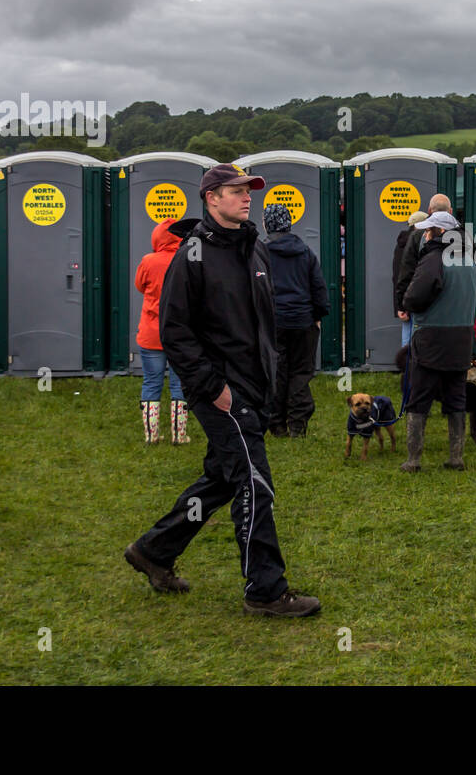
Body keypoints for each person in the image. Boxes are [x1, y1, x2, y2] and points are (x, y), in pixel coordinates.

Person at [124, 164, 319, 617]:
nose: (247, 197)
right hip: (222, 394)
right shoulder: (190, 257)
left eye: (249, 190)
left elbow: (262, 325)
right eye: (236, 191)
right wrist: (214, 388)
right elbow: (176, 332)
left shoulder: (253, 249)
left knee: (221, 480)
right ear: (212, 198)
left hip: (254, 388)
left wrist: (269, 385)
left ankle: (154, 549)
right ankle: (266, 591)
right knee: (255, 483)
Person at [399, 210, 476, 472]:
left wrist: (407, 300)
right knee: (456, 398)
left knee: (419, 398)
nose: (426, 234)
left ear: (441, 232)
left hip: (432, 339)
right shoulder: (470, 259)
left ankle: (413, 460)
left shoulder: (434, 259)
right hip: (462, 340)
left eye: (430, 230)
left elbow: (414, 297)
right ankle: (456, 457)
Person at [263, 202, 330, 438]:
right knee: (301, 373)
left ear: (267, 224)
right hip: (303, 321)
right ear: (289, 224)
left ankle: (276, 423)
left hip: (273, 322)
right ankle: (297, 424)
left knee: (276, 372)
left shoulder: (260, 252)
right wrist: (319, 315)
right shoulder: (305, 252)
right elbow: (318, 287)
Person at [134, 218, 188, 445]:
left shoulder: (148, 261)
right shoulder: (184, 259)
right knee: (179, 384)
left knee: (151, 382)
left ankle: (152, 436)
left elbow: (140, 286)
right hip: (179, 333)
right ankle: (179, 435)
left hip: (151, 333)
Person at [395, 194, 452, 333]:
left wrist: (402, 304)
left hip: (424, 304)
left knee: (416, 343)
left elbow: (407, 271)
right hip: (453, 306)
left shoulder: (417, 235)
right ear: (450, 211)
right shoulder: (461, 234)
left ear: (429, 210)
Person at [392, 210, 428, 346]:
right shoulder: (418, 243)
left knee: (407, 334)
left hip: (405, 295)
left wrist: (400, 304)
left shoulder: (400, 244)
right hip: (417, 294)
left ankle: (405, 364)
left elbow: (398, 276)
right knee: (417, 333)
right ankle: (412, 364)